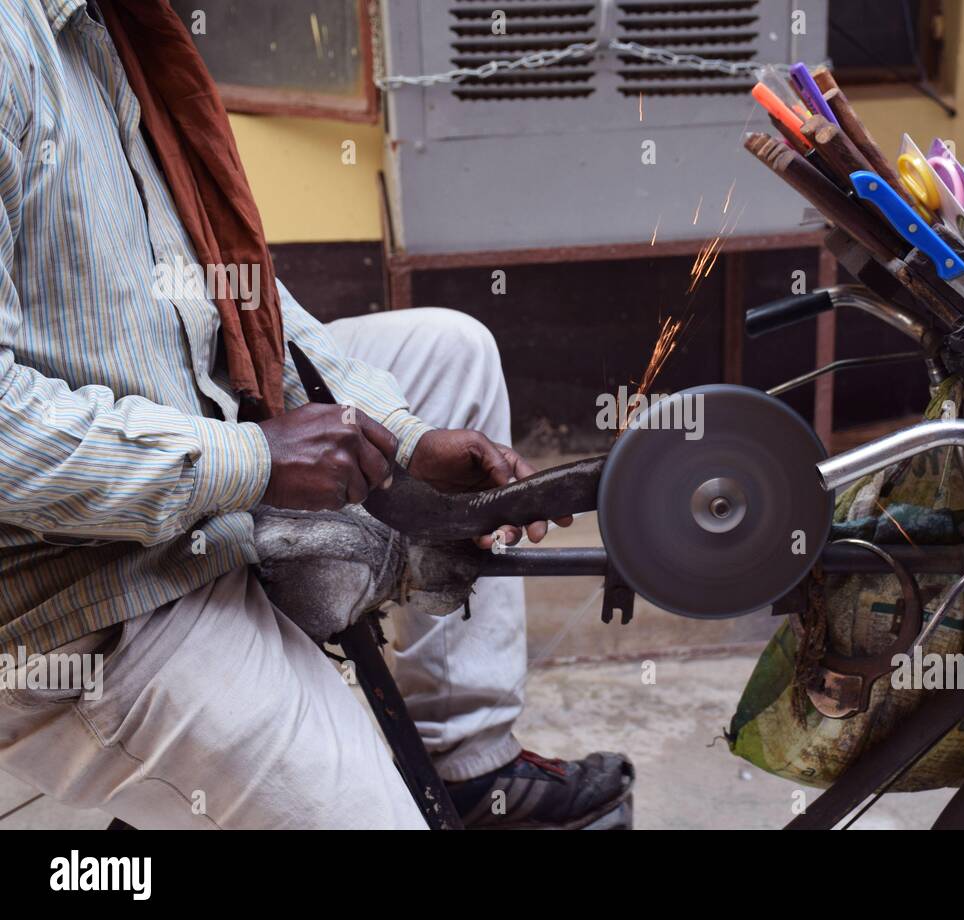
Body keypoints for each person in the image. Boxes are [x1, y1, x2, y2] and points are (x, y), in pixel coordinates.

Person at [0, 0, 630, 829]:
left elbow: (242, 295)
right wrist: (254, 459)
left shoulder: (122, 30)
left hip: (186, 445)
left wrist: (403, 439)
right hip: (86, 601)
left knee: (451, 349)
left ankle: (471, 766)